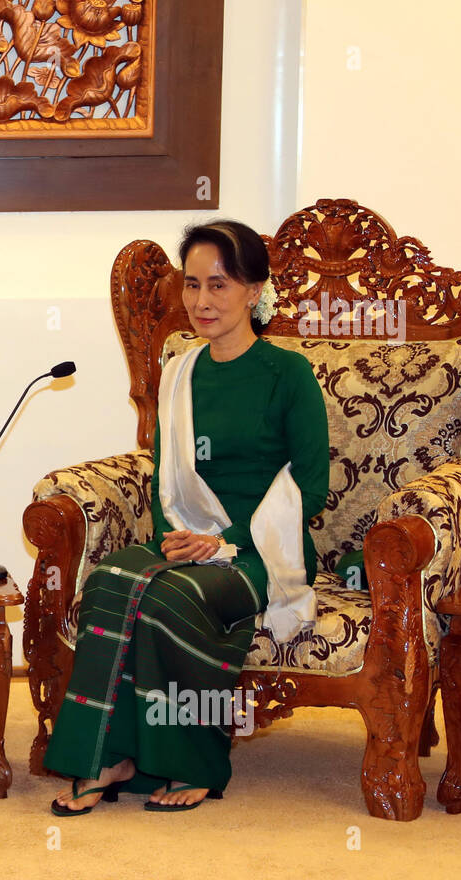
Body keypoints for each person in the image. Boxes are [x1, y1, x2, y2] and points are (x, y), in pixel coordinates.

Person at [46, 219, 329, 814]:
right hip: (186, 538)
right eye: (193, 285)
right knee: (108, 582)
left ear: (254, 290)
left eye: (219, 285)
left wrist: (222, 543)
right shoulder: (180, 372)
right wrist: (176, 537)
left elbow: (311, 484)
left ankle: (188, 761)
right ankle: (110, 754)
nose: (201, 301)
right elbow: (163, 478)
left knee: (173, 598)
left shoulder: (289, 375)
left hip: (258, 553)